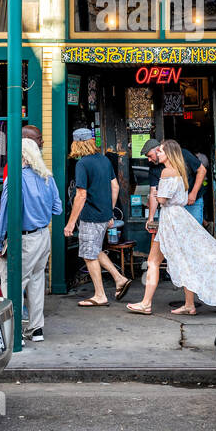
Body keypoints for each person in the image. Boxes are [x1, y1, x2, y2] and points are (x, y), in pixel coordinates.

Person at [127, 140, 216, 316]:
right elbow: (181, 198)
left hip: (170, 220)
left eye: (161, 151)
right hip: (180, 217)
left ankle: (146, 303)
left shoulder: (166, 172)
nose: (159, 153)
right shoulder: (179, 172)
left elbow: (162, 200)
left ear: (168, 154)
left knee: (154, 261)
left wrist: (156, 195)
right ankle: (189, 304)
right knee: (186, 259)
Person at [0, 137, 60, 342]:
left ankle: (14, 332)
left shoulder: (14, 179)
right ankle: (36, 329)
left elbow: (4, 214)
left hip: (23, 238)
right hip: (43, 235)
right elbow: (57, 209)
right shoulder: (48, 177)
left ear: (20, 155)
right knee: (37, 281)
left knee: (11, 282)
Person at [64, 128, 131, 307]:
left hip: (90, 216)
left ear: (77, 143)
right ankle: (119, 279)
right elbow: (115, 187)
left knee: (89, 255)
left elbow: (81, 195)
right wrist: (109, 211)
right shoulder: (103, 160)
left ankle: (100, 295)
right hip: (103, 215)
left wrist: (70, 223)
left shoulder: (82, 164)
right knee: (94, 249)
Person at [143, 138, 207, 226]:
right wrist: (150, 218)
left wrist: (193, 193)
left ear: (158, 150)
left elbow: (202, 170)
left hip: (192, 201)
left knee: (194, 230)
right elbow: (153, 193)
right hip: (173, 208)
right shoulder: (154, 167)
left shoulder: (183, 154)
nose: (149, 160)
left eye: (150, 156)